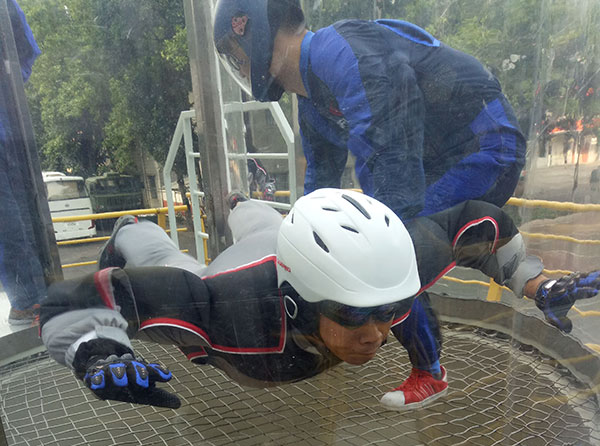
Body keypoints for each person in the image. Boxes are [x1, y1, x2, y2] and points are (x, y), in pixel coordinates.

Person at [213, 0, 527, 406]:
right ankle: (428, 365)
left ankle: (430, 372)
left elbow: (391, 146)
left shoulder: (338, 50)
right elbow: (319, 187)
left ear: (253, 34)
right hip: (435, 160)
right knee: (379, 253)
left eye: (237, 54)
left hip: (483, 145)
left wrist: (366, 251)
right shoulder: (309, 97)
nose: (239, 66)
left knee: (388, 254)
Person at [39, 189, 600, 410]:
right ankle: (139, 225)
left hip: (282, 238)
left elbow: (482, 223)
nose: (376, 335)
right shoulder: (220, 308)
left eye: (389, 312)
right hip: (239, 272)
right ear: (297, 303)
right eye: (354, 315)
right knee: (165, 257)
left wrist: (533, 282)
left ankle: (242, 202)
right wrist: (96, 352)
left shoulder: (408, 259)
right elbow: (70, 301)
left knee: (263, 218)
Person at [0, 0, 47, 327]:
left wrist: (9, 80)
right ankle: (30, 300)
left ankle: (31, 300)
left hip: (8, 127)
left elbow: (22, 51)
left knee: (19, 215)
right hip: (7, 124)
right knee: (13, 217)